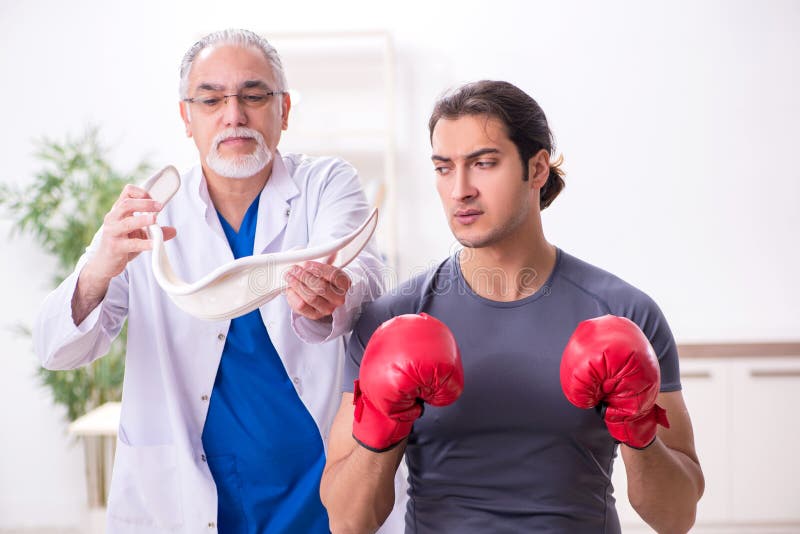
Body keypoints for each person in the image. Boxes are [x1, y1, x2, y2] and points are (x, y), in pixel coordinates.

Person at [34, 29, 389, 533]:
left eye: (253, 95)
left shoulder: (324, 184)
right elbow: (57, 349)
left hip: (315, 489)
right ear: (187, 117)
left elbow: (361, 272)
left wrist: (330, 295)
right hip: (188, 496)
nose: (233, 114)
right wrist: (100, 264)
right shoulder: (148, 213)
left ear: (283, 110)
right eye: (211, 99)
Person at [320, 80, 705, 533]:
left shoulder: (626, 314)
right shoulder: (390, 320)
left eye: (484, 164)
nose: (460, 189)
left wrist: (639, 430)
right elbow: (347, 522)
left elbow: (677, 518)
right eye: (444, 168)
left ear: (537, 168)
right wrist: (381, 430)